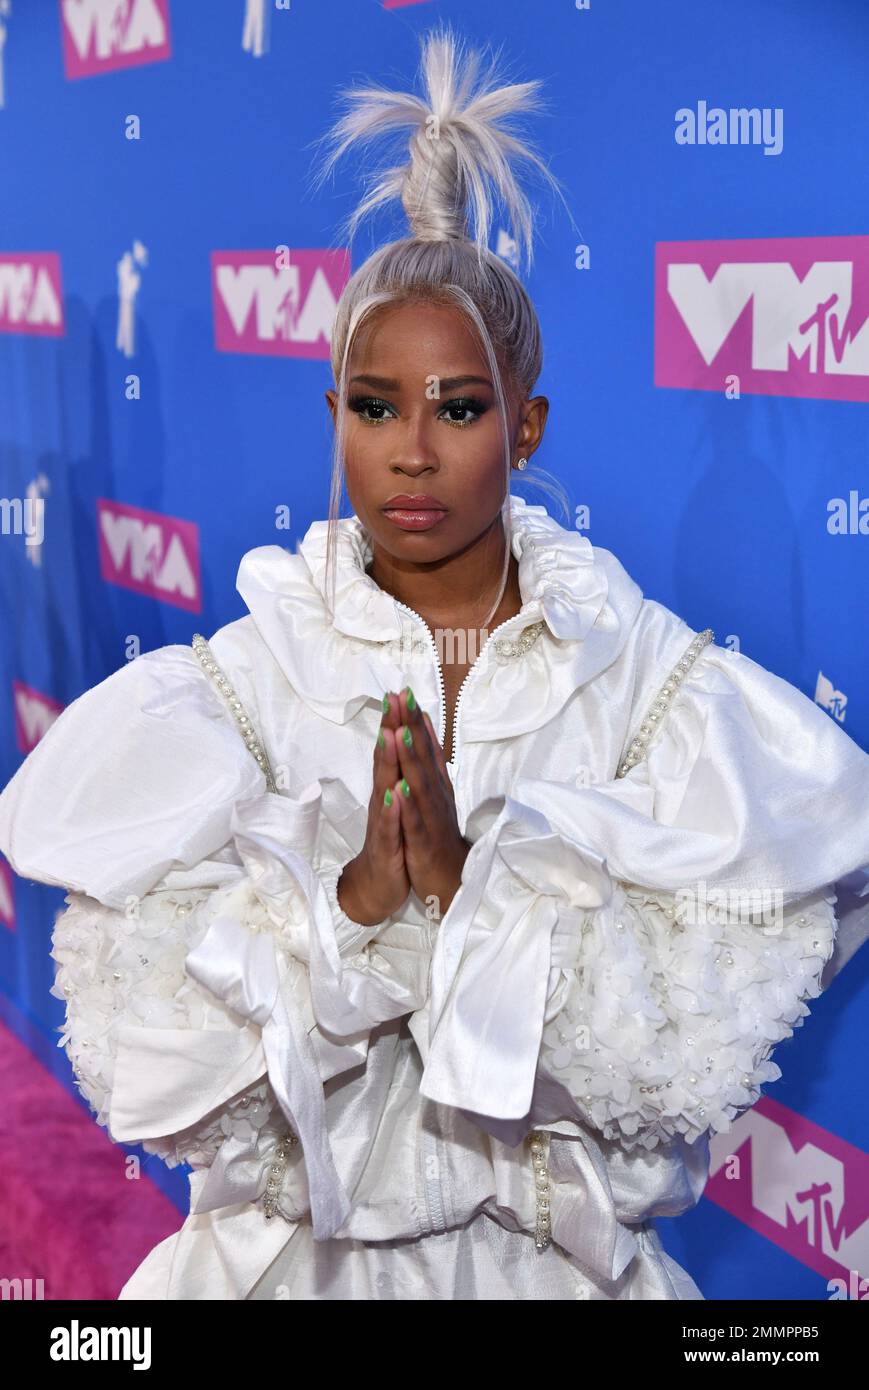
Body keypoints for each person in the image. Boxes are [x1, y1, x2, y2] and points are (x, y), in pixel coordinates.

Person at [2, 24, 868, 1302]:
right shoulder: (241, 685)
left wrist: (473, 895)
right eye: (373, 404)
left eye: (458, 409)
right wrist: (347, 907)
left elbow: (663, 1075)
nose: (411, 450)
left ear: (523, 424)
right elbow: (158, 1069)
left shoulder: (646, 691)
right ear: (335, 414)